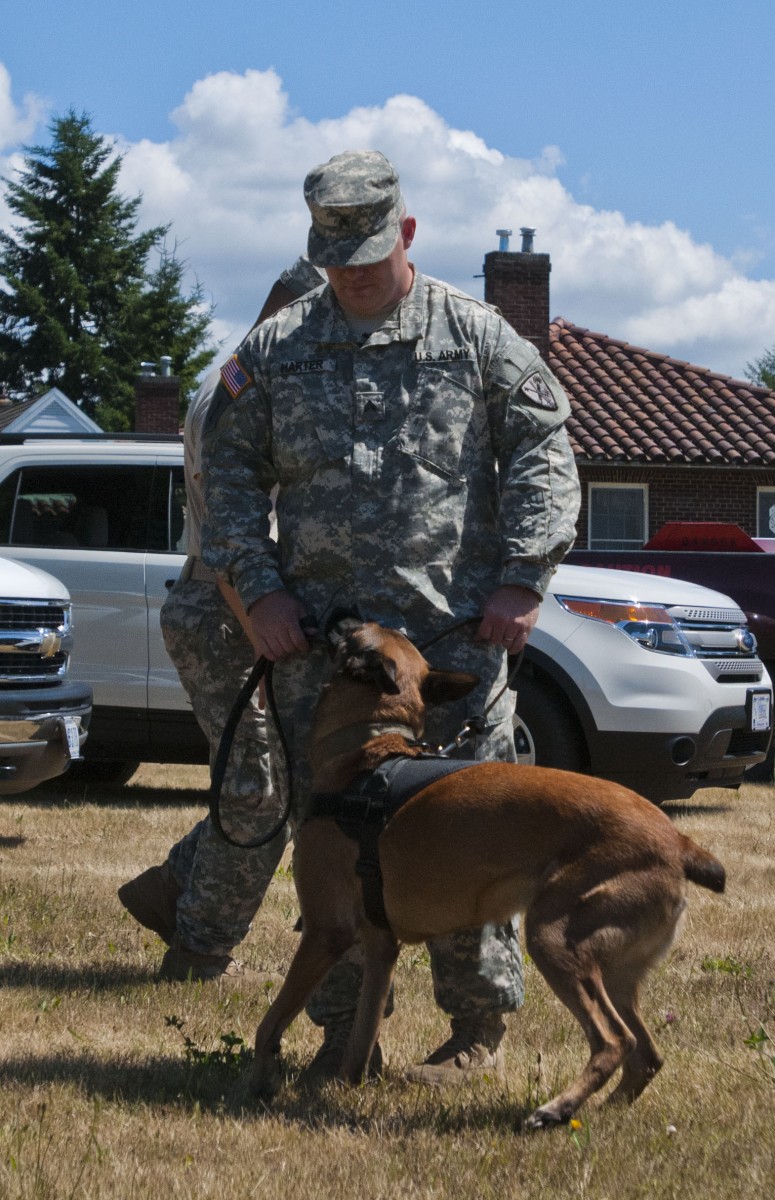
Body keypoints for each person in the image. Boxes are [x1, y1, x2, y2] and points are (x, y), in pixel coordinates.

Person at [201, 149, 581, 1082]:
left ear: (406, 233)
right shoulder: (276, 349)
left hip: (449, 648)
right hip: (324, 660)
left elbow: (544, 448)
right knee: (329, 845)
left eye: (368, 254)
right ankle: (345, 1032)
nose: (353, 275)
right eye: (335, 260)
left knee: (467, 837)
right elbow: (225, 480)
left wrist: (524, 578)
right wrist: (259, 588)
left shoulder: (476, 337)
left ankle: (475, 1030)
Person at [117, 255, 325, 982]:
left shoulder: (244, 377)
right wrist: (261, 632)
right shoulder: (241, 387)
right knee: (255, 789)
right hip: (223, 608)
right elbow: (235, 536)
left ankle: (172, 884)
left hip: (233, 607)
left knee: (272, 781)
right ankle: (198, 949)